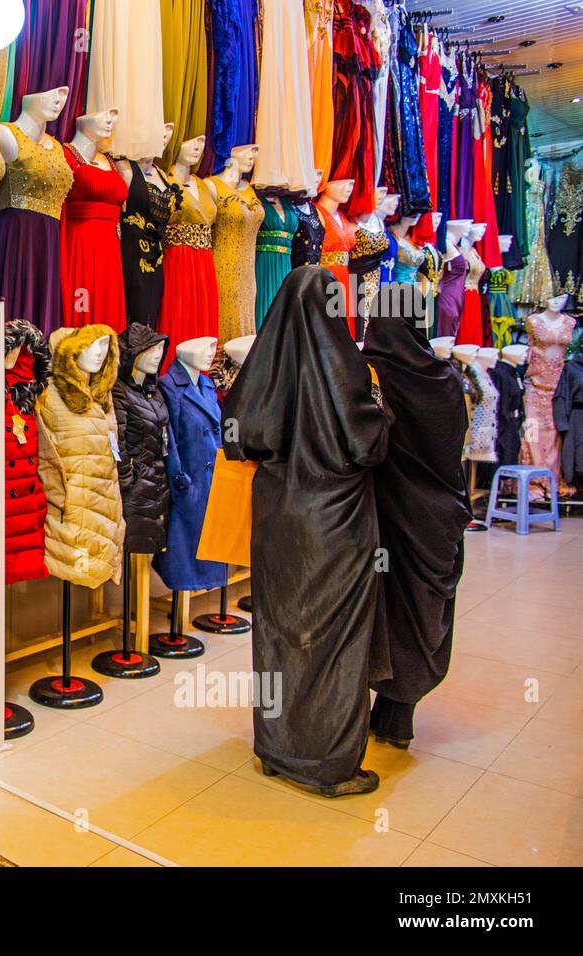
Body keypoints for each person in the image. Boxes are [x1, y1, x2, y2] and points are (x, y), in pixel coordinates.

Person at [222, 265, 390, 797]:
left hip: (278, 519)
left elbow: (237, 437)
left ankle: (277, 748)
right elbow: (369, 446)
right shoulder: (346, 368)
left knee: (279, 630)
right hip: (336, 524)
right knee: (337, 640)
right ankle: (327, 764)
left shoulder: (263, 367)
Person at [363, 283, 470, 748]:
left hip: (392, 514)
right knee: (423, 611)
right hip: (441, 515)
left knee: (388, 610)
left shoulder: (372, 377)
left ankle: (383, 710)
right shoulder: (444, 379)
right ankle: (397, 714)